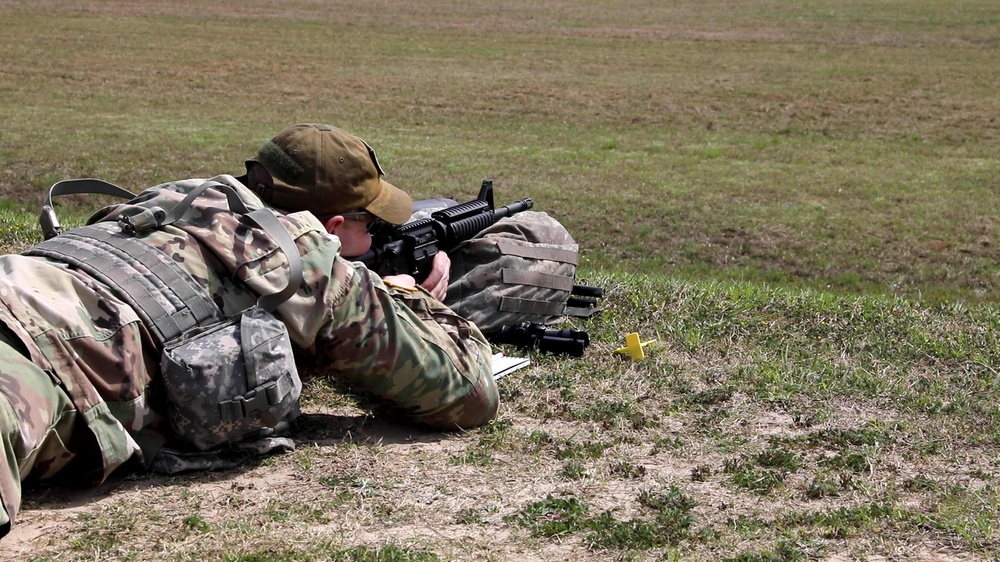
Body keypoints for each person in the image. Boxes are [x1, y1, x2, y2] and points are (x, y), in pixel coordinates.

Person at [0, 136, 499, 537]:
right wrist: (413, 298)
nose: (374, 241)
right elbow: (466, 396)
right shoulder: (307, 262)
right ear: (336, 224)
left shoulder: (177, 195)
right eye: (371, 227)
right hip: (38, 362)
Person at [236, 123, 452, 301]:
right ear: (332, 229)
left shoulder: (220, 220)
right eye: (369, 225)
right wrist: (405, 297)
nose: (375, 234)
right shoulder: (307, 296)